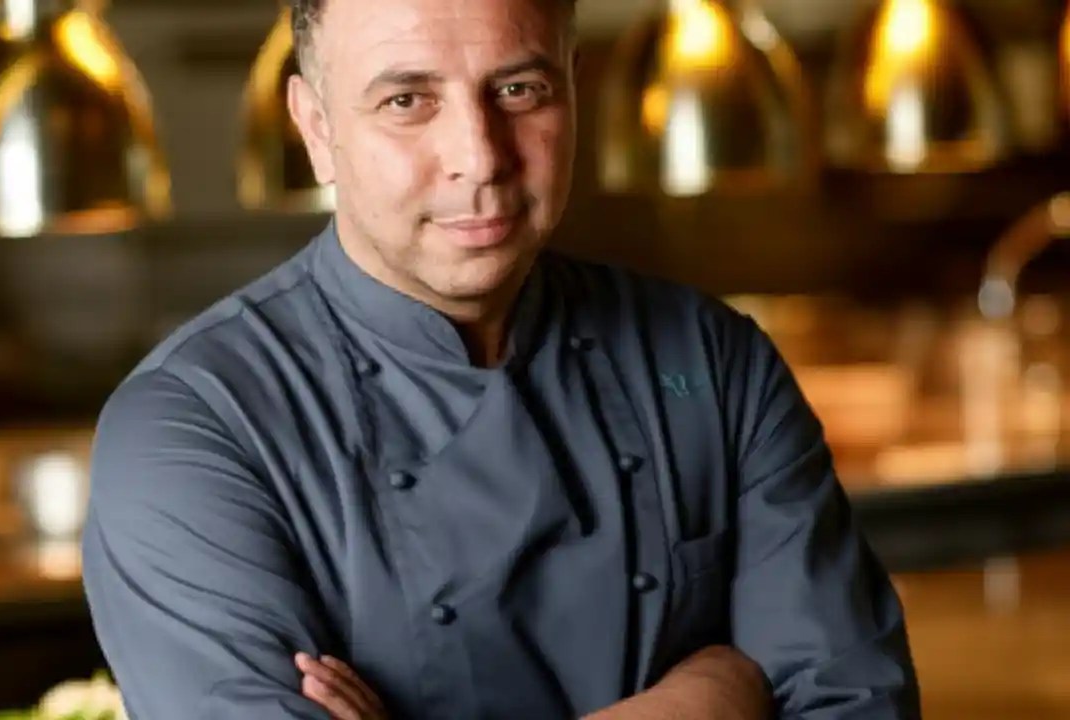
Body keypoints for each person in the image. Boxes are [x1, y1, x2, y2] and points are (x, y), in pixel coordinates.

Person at [81, 0, 921, 716]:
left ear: (573, 91)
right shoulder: (192, 431)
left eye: (519, 90)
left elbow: (858, 700)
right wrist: (715, 689)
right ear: (317, 129)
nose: (480, 157)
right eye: (408, 100)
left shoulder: (713, 359)